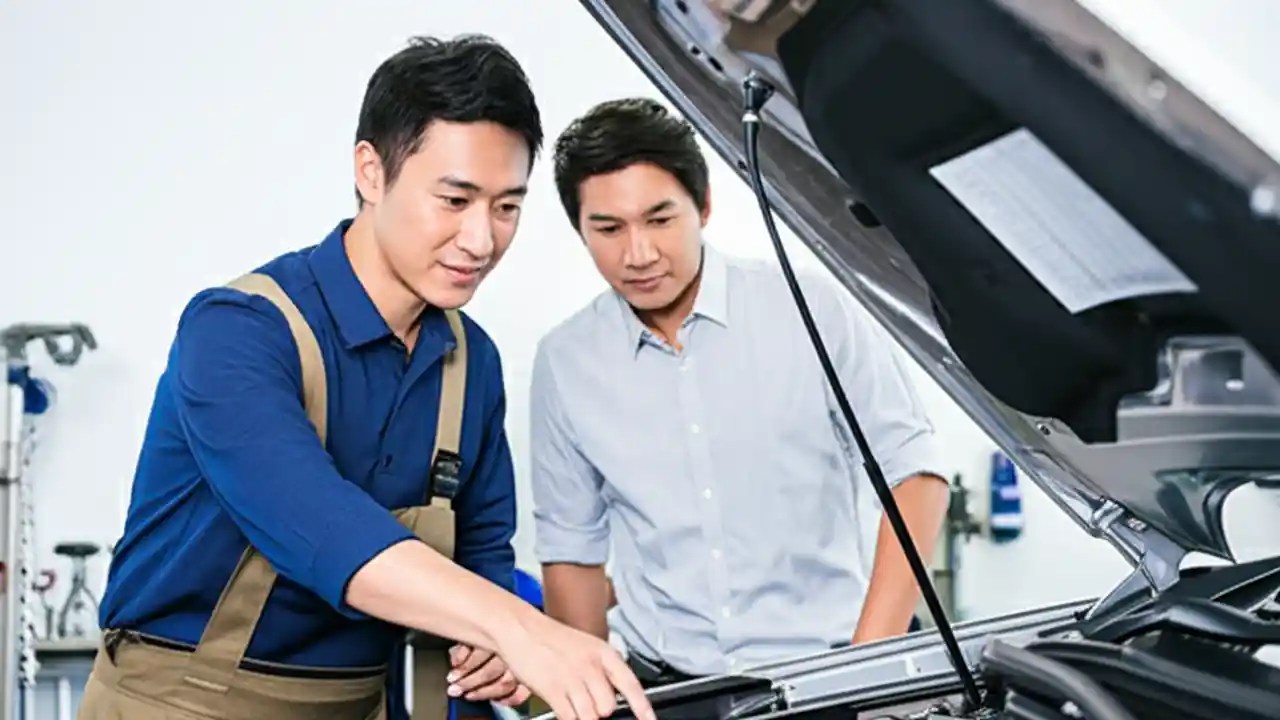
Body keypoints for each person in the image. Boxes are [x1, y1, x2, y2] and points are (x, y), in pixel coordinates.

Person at [85, 37, 653, 720]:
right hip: (183, 704)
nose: (481, 240)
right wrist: (516, 626)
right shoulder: (237, 332)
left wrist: (493, 647)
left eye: (507, 207)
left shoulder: (473, 365)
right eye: (455, 199)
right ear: (371, 172)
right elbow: (323, 528)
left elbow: (478, 572)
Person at [529, 98, 951, 689]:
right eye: (608, 228)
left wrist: (867, 669)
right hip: (668, 688)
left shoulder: (810, 306)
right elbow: (571, 547)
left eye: (659, 219)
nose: (639, 254)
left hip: (829, 677)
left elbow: (915, 475)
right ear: (580, 229)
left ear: (703, 206)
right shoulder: (566, 361)